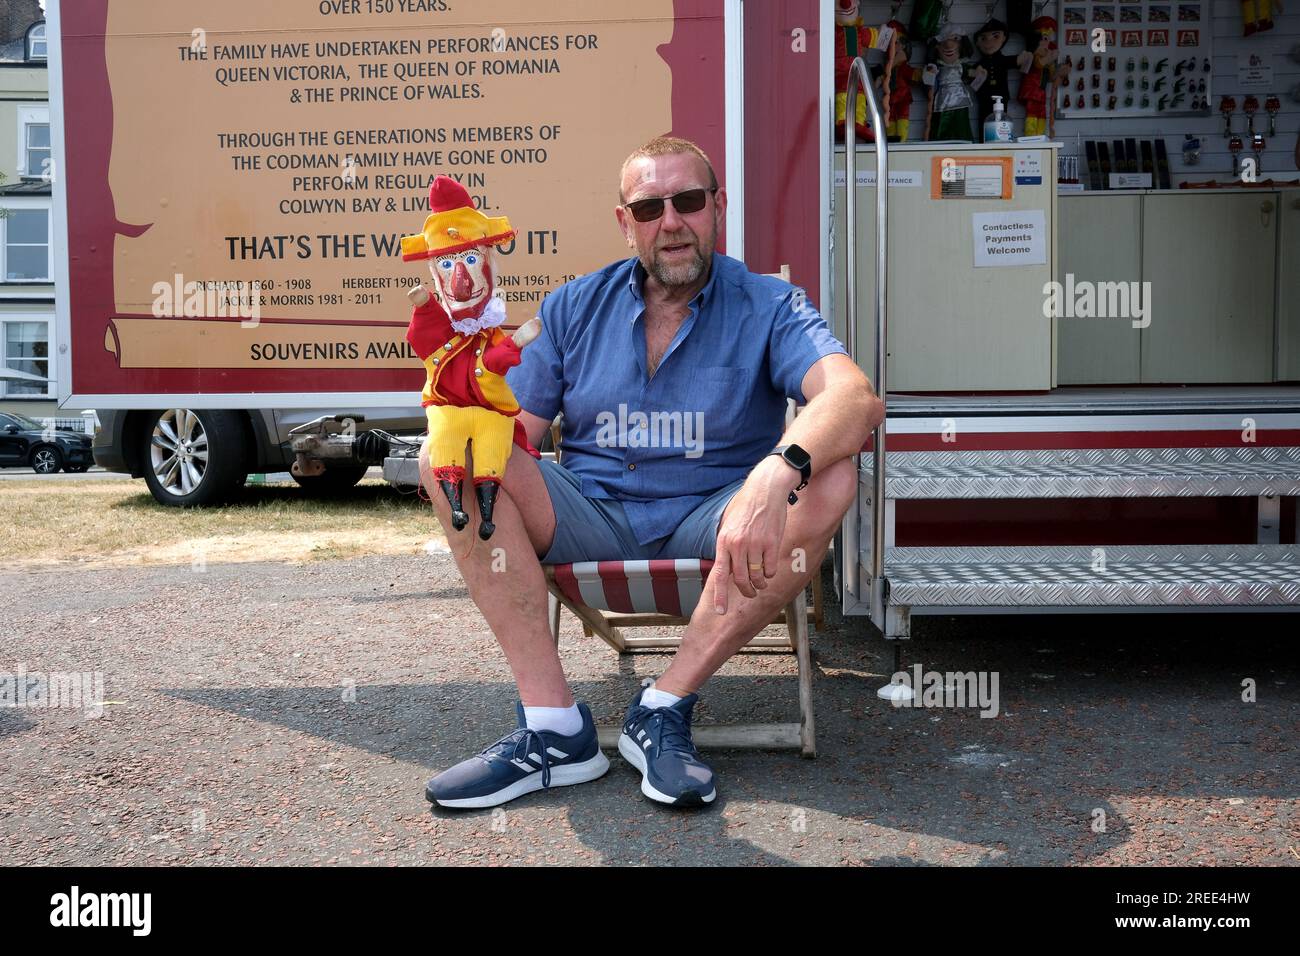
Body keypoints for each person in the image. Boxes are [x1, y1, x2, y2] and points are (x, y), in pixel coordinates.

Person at [421, 136, 884, 810]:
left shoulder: (770, 305)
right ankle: (554, 731)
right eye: (648, 207)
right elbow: (512, 435)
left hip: (717, 518)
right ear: (624, 222)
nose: (671, 222)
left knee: (832, 476)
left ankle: (664, 705)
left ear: (718, 207)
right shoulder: (572, 307)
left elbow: (856, 399)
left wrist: (771, 475)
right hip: (591, 512)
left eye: (688, 201)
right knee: (458, 462)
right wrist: (458, 381)